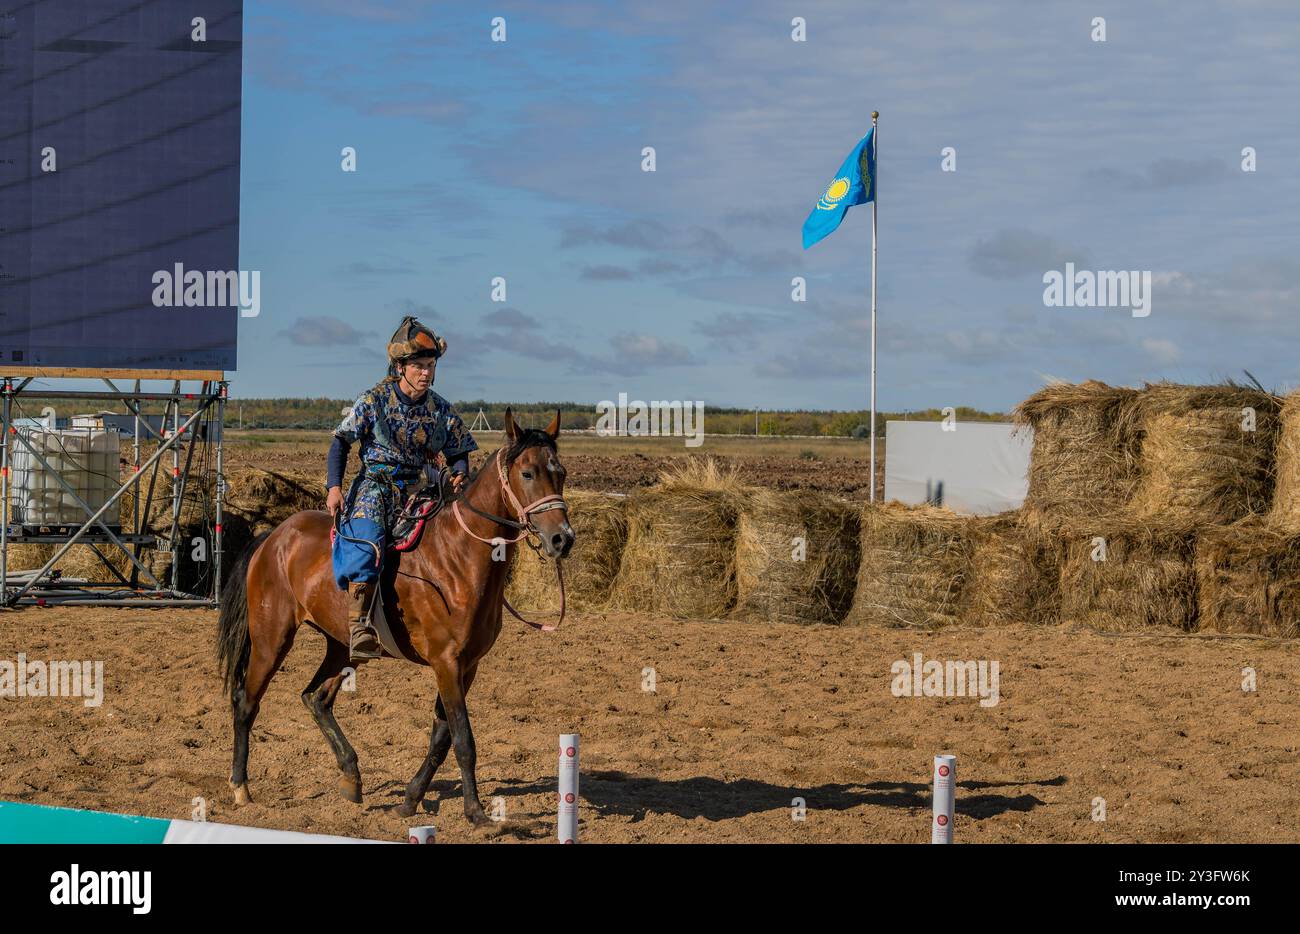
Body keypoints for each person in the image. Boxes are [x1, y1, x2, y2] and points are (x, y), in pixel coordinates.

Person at [326, 316, 478, 661]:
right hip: (376, 487)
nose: (426, 373)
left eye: (431, 365)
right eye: (419, 366)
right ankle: (359, 623)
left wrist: (457, 473)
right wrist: (334, 487)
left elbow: (459, 453)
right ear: (400, 367)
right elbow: (340, 442)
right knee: (367, 537)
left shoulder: (442, 410)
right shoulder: (373, 401)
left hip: (426, 489)